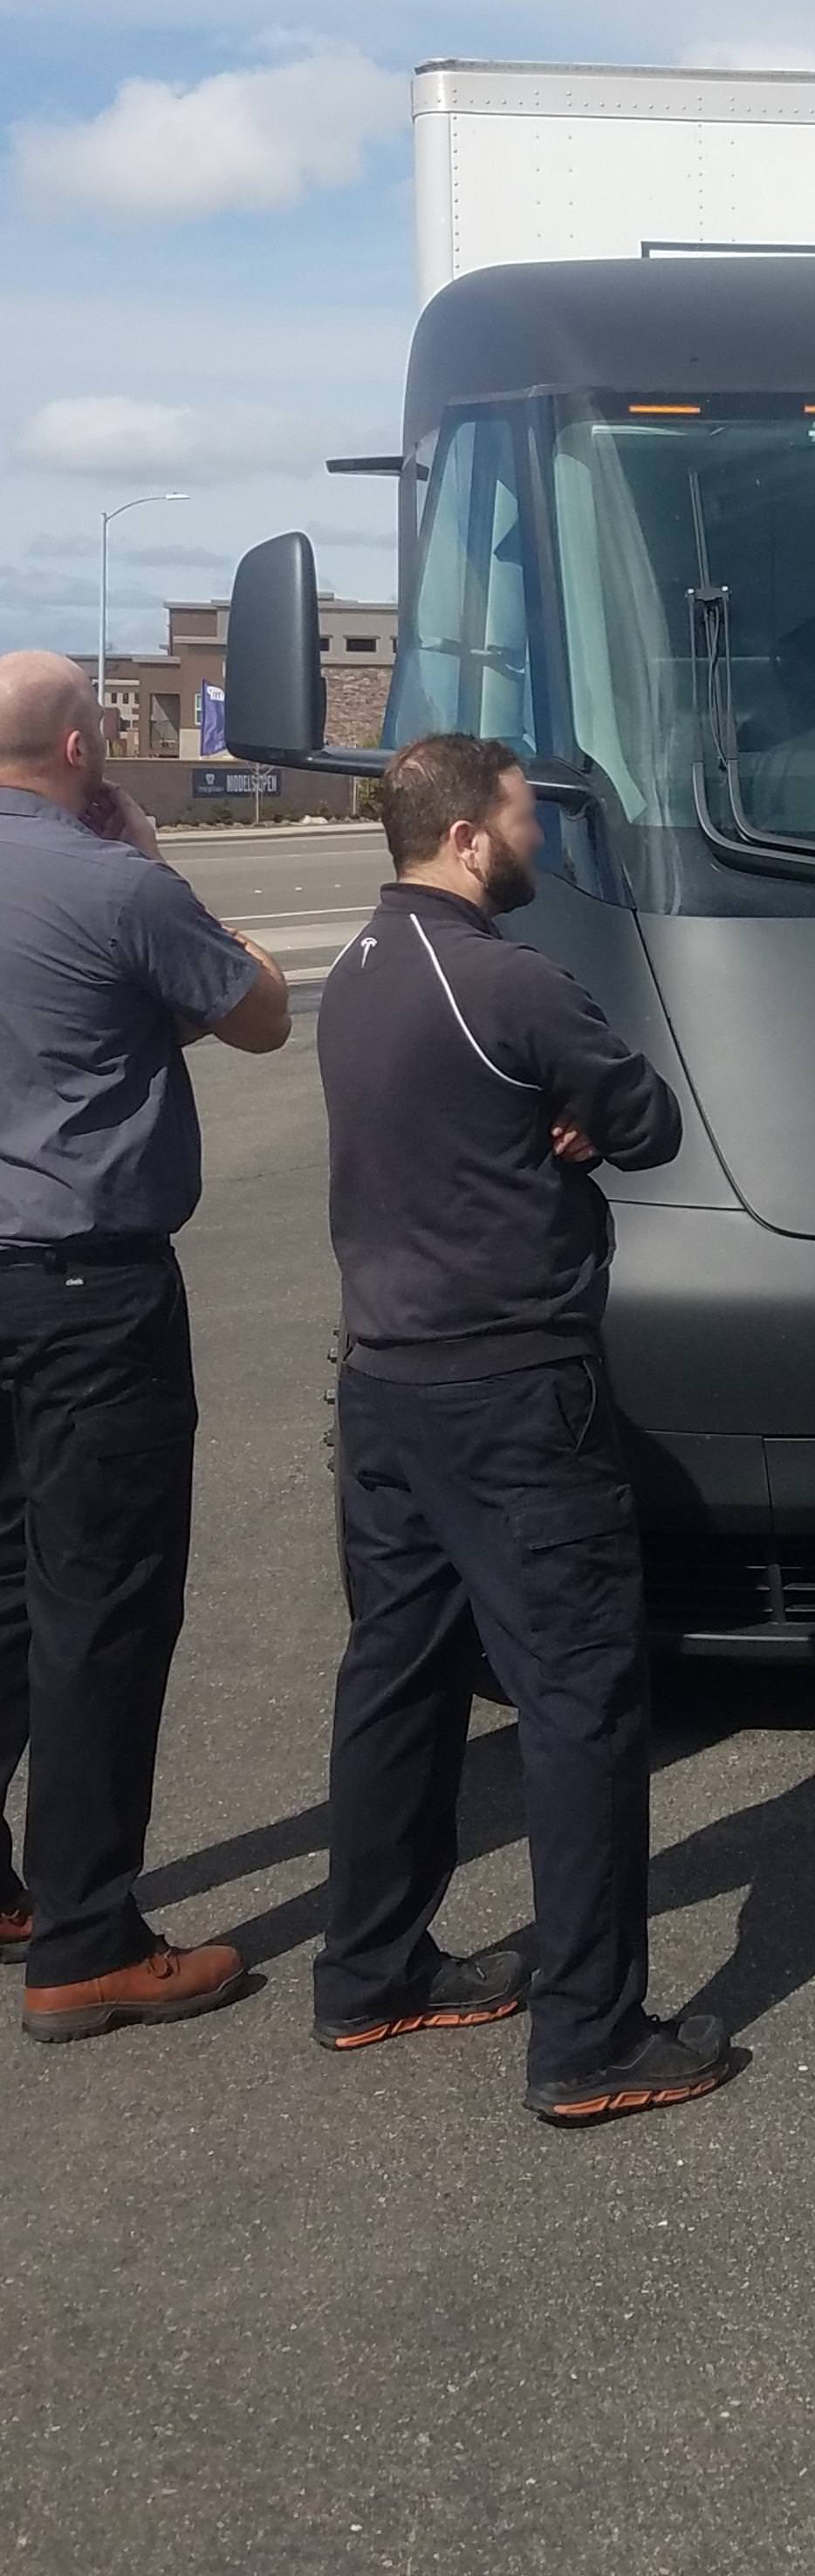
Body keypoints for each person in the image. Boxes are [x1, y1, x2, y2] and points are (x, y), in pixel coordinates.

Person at [311, 732, 731, 2126]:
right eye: (526, 819)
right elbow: (652, 1121)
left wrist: (546, 1118)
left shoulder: (363, 971)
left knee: (398, 1676)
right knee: (582, 1701)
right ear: (471, 838)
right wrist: (577, 1117)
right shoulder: (510, 983)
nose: (540, 840)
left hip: (384, 1383)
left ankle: (369, 1969)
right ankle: (591, 2039)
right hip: (509, 1399)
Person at [0, 652, 290, 2037]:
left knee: (6, 1586)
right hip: (84, 1288)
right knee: (102, 1605)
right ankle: (87, 1940)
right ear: (77, 745)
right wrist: (160, 859)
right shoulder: (119, 885)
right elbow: (260, 1013)